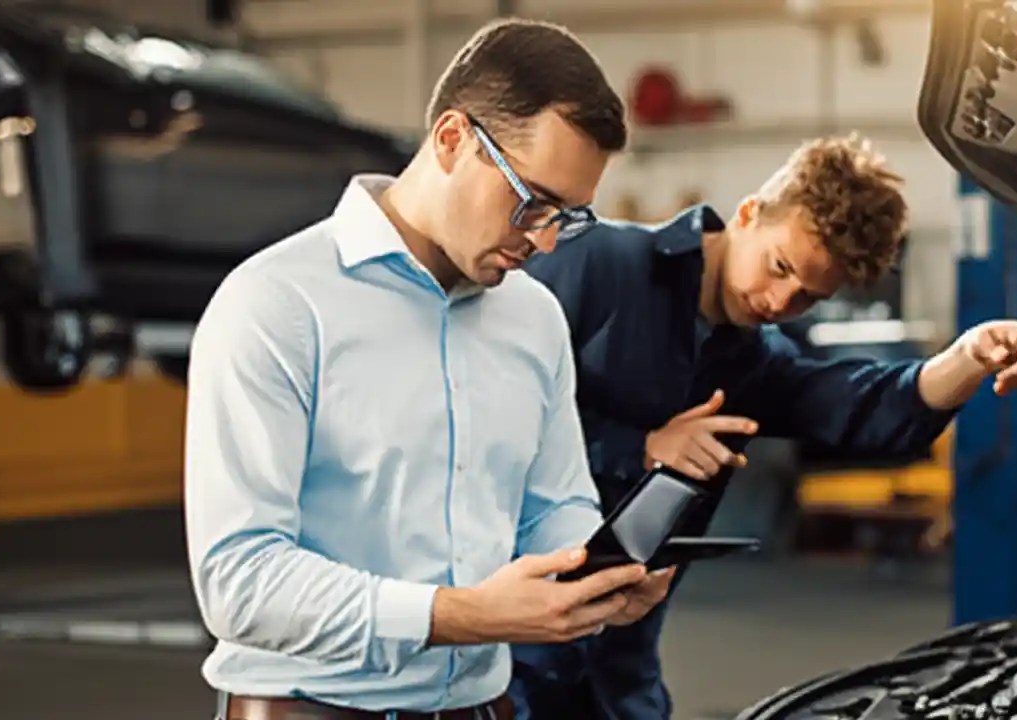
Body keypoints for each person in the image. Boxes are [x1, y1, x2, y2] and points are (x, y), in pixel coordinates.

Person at [182, 18, 676, 720]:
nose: (542, 239)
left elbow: (554, 503)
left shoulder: (533, 319)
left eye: (566, 216)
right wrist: (462, 614)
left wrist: (595, 574)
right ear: (452, 139)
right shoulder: (277, 305)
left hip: (486, 707)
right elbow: (241, 582)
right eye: (531, 201)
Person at [512, 135, 1017, 719]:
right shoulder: (600, 262)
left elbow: (864, 407)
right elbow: (485, 407)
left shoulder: (751, 359)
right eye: (780, 267)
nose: (780, 300)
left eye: (807, 296)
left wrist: (966, 356)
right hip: (504, 641)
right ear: (748, 213)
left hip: (617, 662)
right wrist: (637, 447)